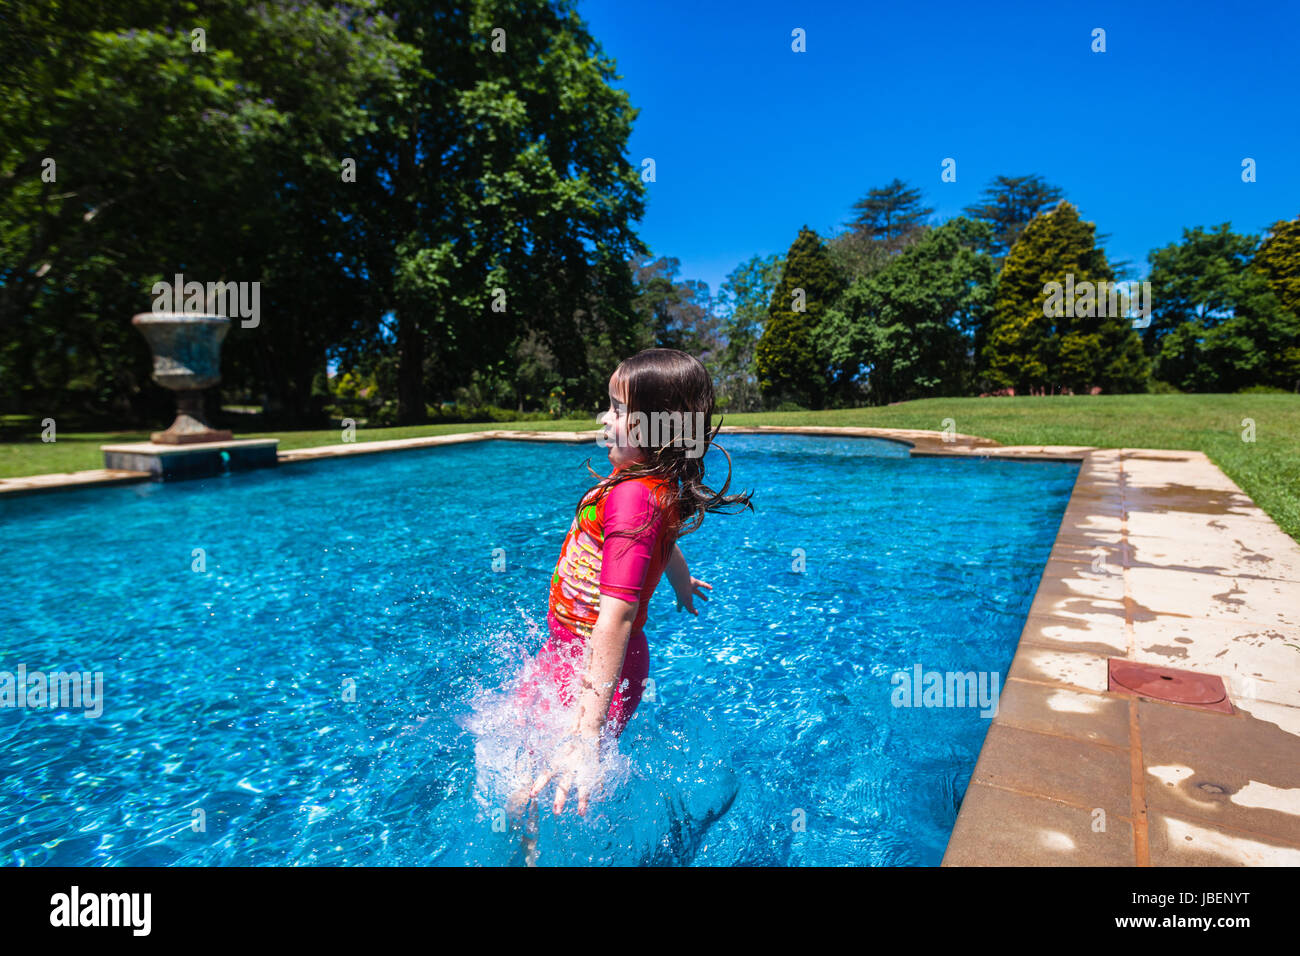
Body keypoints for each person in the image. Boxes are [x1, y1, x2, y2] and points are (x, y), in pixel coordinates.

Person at [512, 349, 754, 842]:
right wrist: (681, 581)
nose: (604, 418)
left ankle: (533, 849)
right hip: (571, 647)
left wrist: (586, 732)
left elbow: (617, 618)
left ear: (658, 429)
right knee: (521, 743)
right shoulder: (648, 485)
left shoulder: (631, 498)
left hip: (593, 658)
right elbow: (661, 543)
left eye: (618, 410)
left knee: (526, 783)